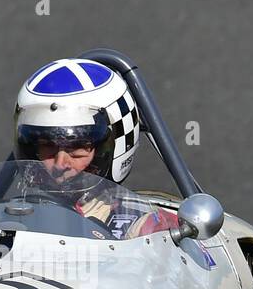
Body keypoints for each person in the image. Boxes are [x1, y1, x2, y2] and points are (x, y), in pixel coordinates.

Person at [13, 58, 177, 238]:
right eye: (47, 147)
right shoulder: (9, 216)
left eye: (76, 149)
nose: (60, 164)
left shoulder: (144, 229)